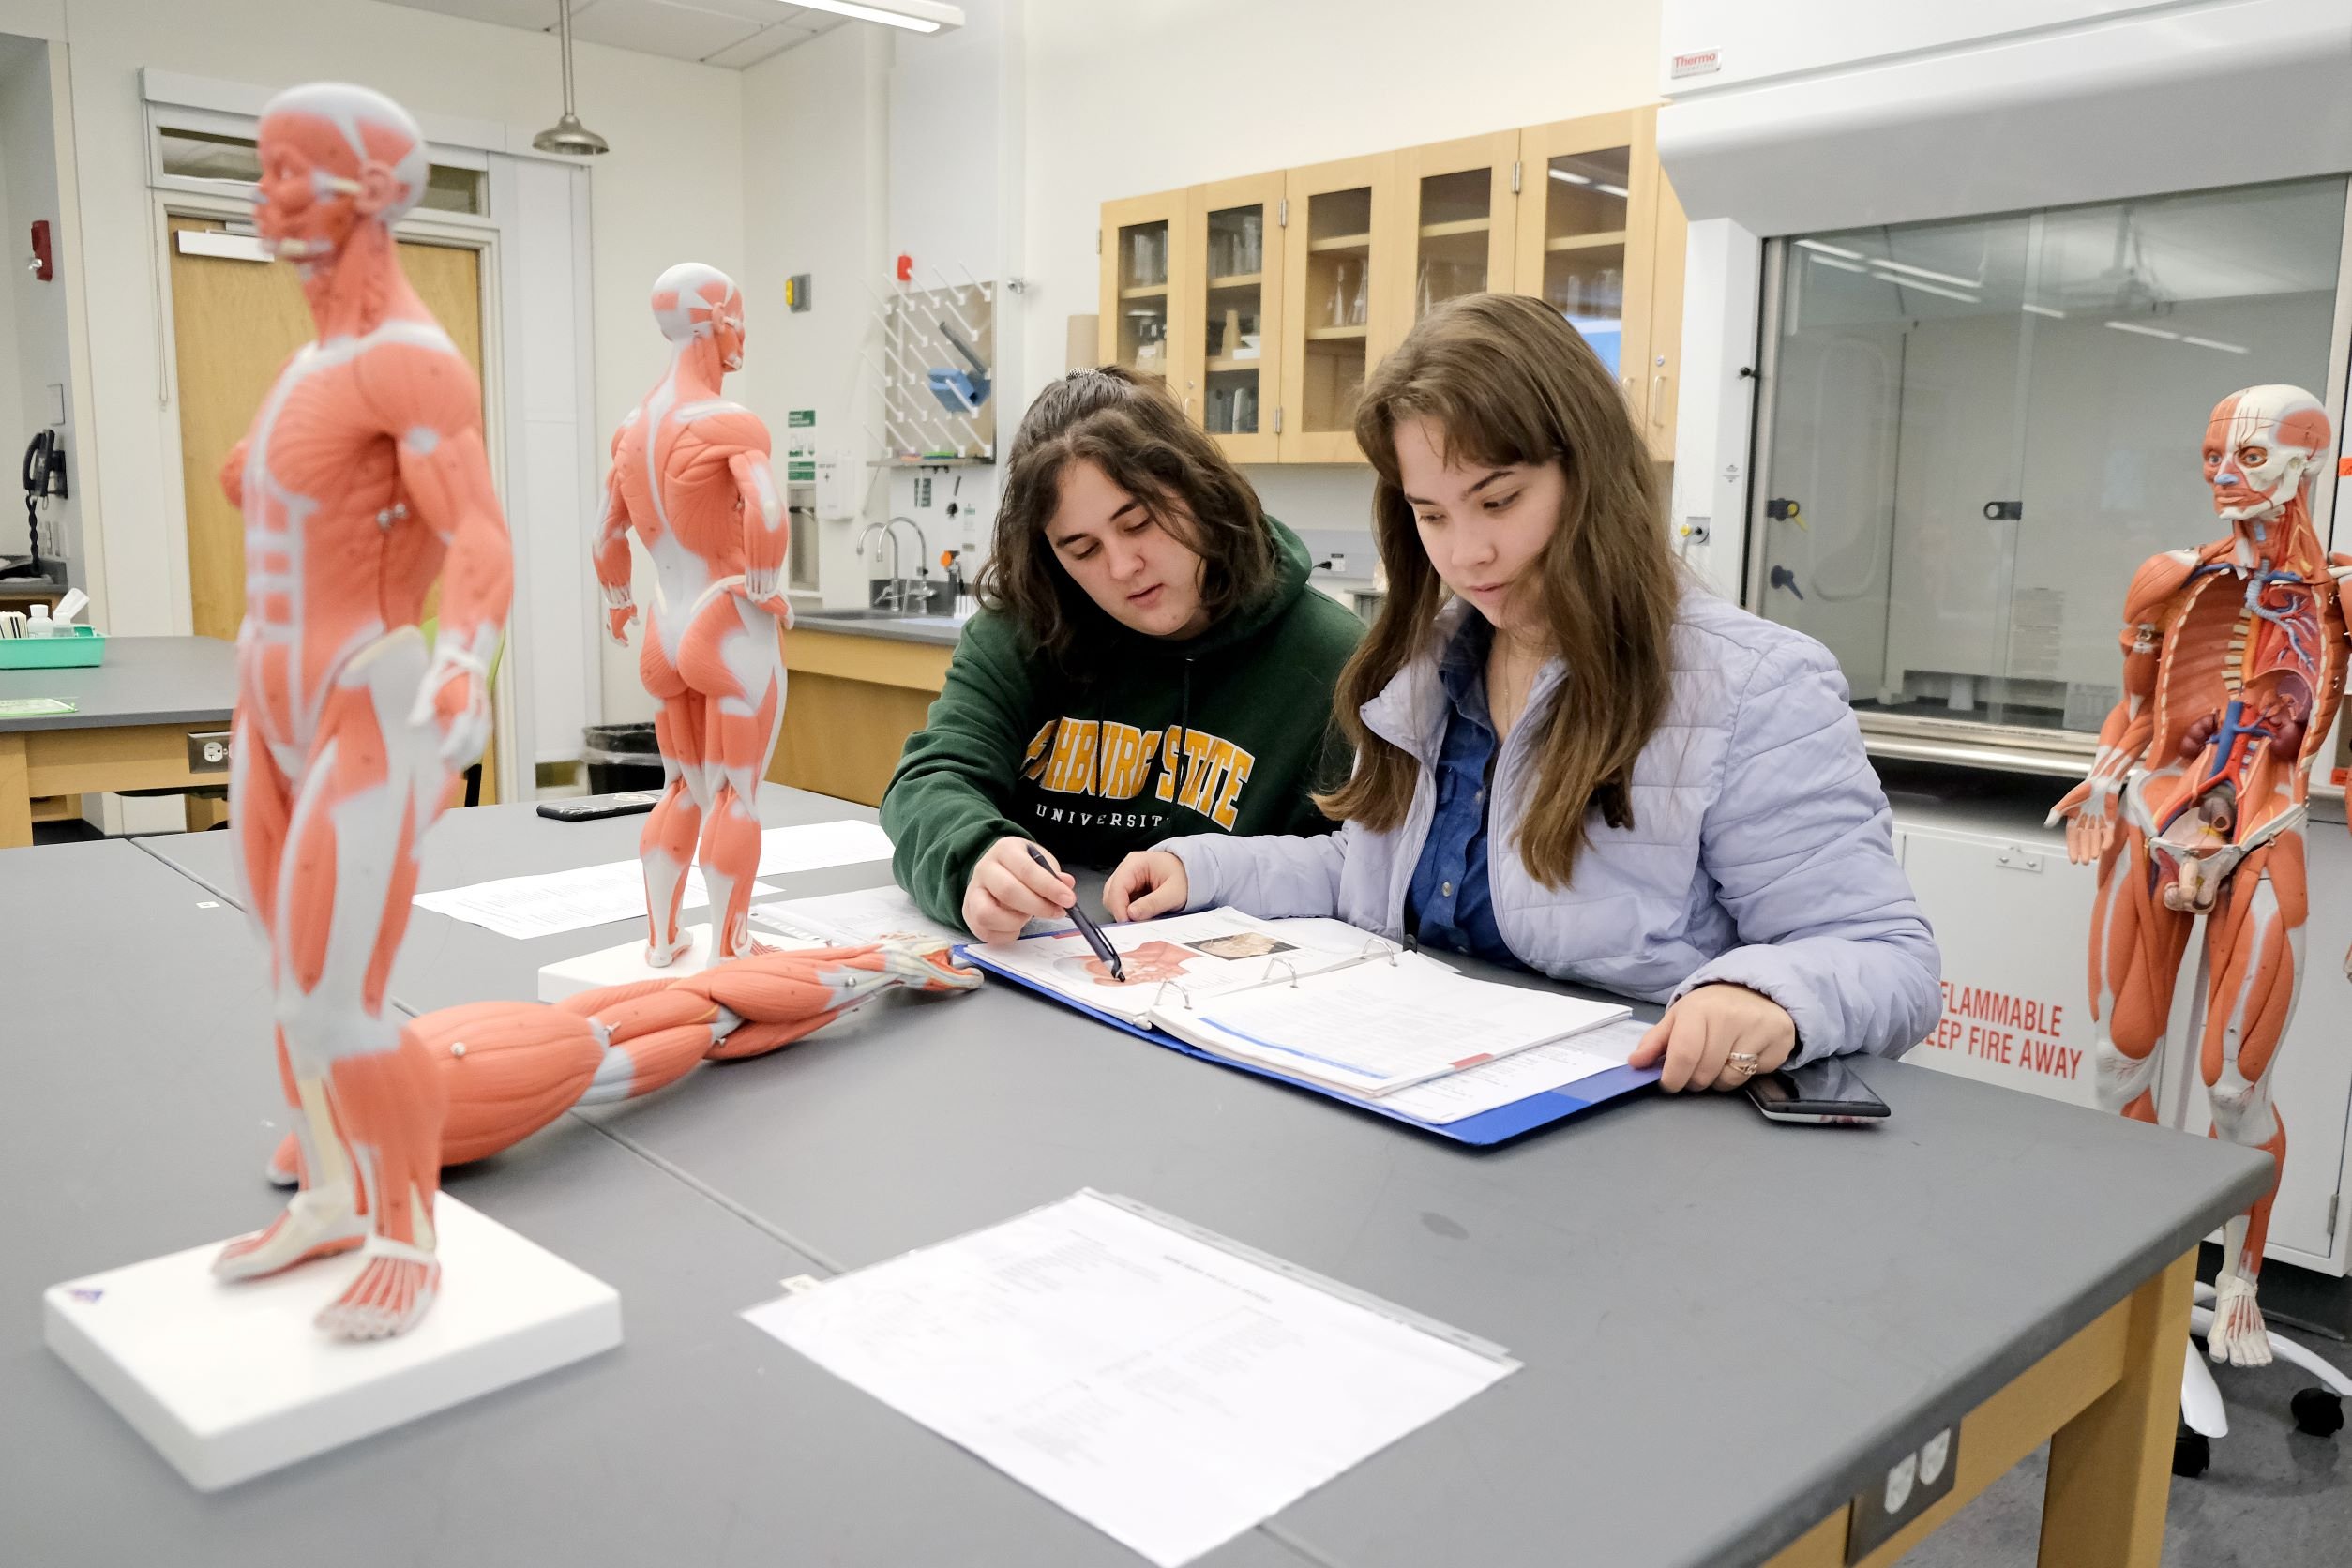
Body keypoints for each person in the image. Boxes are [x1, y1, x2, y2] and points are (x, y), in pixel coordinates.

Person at [1106, 294, 1939, 1093]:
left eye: (1498, 500)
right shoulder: (1429, 662)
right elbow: (1373, 871)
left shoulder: (1754, 685)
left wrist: (1761, 997)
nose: (1467, 555)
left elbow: (1885, 957)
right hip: (1433, 1107)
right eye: (1431, 516)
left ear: (1590, 475)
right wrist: (1201, 864)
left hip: (1639, 1146)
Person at [882, 367, 1364, 943]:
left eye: (1138, 523)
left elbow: (1355, 870)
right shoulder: (1023, 630)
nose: (1121, 567)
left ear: (1199, 490)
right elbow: (930, 779)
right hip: (1034, 977)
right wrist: (973, 855)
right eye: (1081, 549)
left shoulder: (1335, 659)